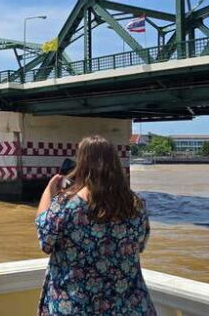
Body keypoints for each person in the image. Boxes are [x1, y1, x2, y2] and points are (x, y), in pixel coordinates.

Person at [35, 135, 155, 315]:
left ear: (82, 164)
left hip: (76, 307)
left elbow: (45, 241)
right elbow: (140, 244)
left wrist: (49, 189)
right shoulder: (136, 205)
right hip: (129, 307)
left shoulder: (66, 205)